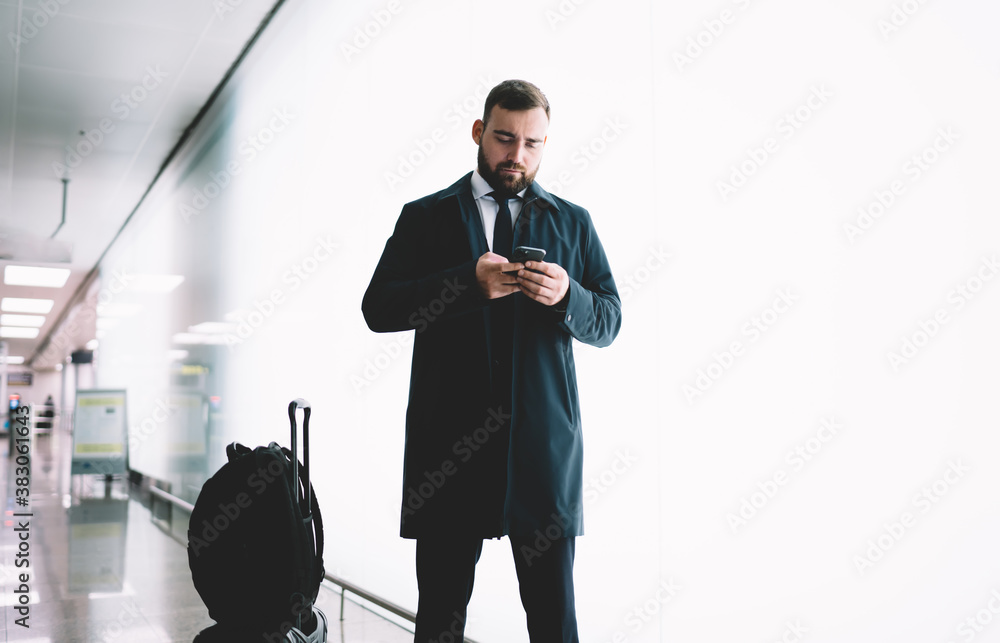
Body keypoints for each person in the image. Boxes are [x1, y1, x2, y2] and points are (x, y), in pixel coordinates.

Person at [362, 79, 622, 643]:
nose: (517, 155)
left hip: (542, 458)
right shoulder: (424, 217)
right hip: (449, 456)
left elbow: (609, 320)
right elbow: (377, 308)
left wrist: (567, 297)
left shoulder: (573, 222)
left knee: (555, 627)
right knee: (439, 623)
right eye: (505, 139)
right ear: (480, 133)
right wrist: (463, 286)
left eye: (533, 143)